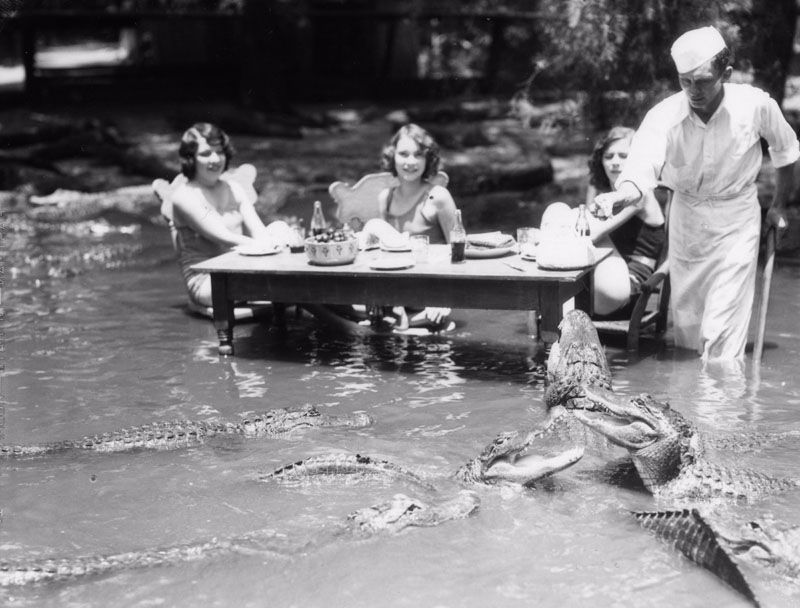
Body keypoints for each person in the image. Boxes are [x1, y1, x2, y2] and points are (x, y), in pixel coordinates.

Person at [593, 26, 799, 361]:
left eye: (701, 81)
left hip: (737, 219)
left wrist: (778, 206)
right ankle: (693, 407)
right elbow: (641, 166)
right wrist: (621, 195)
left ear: (726, 74)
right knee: (689, 334)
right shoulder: (664, 116)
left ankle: (720, 406)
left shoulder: (756, 106)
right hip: (686, 218)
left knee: (719, 333)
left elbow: (787, 152)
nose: (693, 90)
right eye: (684, 81)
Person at [171, 123, 294, 310]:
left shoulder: (234, 188)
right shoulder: (184, 196)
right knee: (284, 285)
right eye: (205, 154)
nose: (215, 159)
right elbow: (223, 237)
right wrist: (269, 248)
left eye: (219, 152)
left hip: (241, 268)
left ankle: (342, 315)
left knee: (280, 228)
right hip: (206, 280)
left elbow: (258, 231)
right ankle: (342, 325)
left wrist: (279, 241)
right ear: (191, 158)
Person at [360, 123, 459, 332]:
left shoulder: (437, 196)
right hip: (396, 294)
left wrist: (444, 300)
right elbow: (383, 256)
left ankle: (403, 324)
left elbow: (459, 254)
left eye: (418, 155)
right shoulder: (385, 198)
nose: (410, 162)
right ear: (392, 156)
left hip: (431, 295)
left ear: (428, 159)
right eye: (403, 154)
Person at [585, 126, 666, 316]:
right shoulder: (605, 194)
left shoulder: (638, 195)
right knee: (559, 213)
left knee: (564, 217)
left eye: (623, 156)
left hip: (627, 290)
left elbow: (591, 233)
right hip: (602, 277)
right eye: (608, 156)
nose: (615, 162)